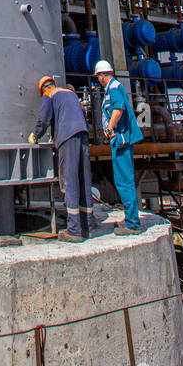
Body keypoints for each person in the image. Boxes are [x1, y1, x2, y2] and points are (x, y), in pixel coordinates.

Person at [28, 75, 94, 242]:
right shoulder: (70, 93)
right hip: (83, 136)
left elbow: (44, 119)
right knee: (84, 179)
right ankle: (88, 227)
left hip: (67, 138)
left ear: (43, 89)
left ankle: (73, 230)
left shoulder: (49, 95)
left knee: (70, 180)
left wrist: (35, 136)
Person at [93, 60, 143, 233]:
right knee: (123, 179)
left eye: (98, 76)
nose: (98, 79)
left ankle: (133, 224)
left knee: (124, 180)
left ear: (102, 75)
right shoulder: (111, 89)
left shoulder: (114, 88)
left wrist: (109, 127)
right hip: (119, 140)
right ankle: (131, 219)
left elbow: (118, 109)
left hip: (122, 139)